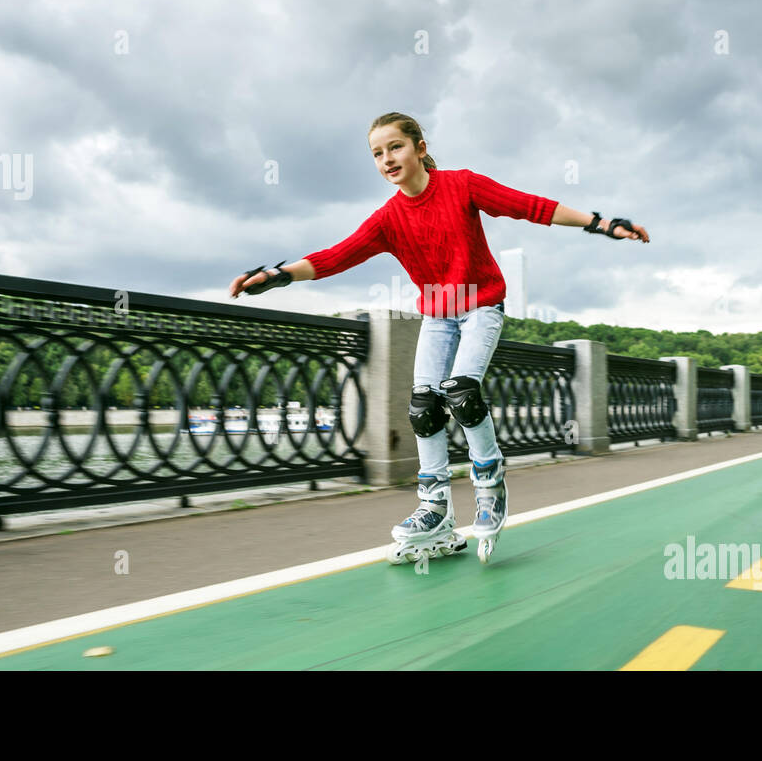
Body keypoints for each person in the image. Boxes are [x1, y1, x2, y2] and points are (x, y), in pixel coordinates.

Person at [228, 111, 648, 564]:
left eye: (395, 147)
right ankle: (436, 509)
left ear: (420, 148)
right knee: (424, 405)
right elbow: (336, 256)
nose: (387, 159)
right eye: (377, 153)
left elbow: (531, 206)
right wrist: (277, 275)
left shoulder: (462, 185)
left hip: (482, 306)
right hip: (438, 317)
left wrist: (601, 223)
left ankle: (489, 484)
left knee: (462, 393)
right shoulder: (388, 219)